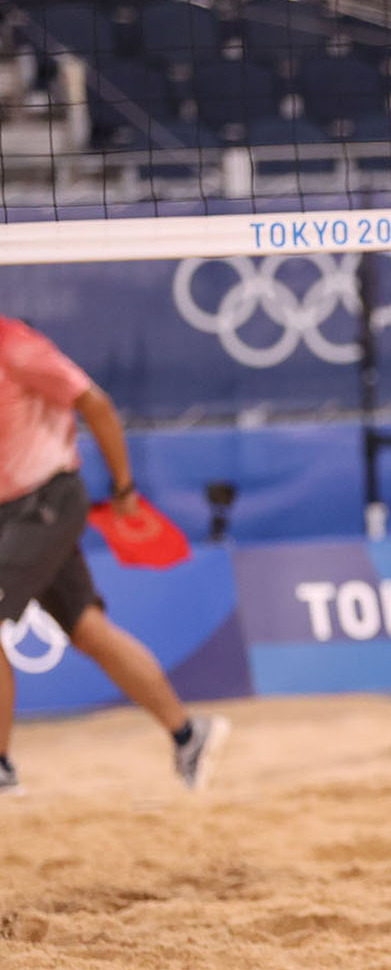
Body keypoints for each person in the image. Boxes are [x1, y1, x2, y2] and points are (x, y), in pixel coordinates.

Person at [0, 315, 229, 794]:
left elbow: (96, 404)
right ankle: (188, 734)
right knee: (88, 631)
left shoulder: (17, 347)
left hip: (45, 502)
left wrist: (123, 488)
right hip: (11, 510)